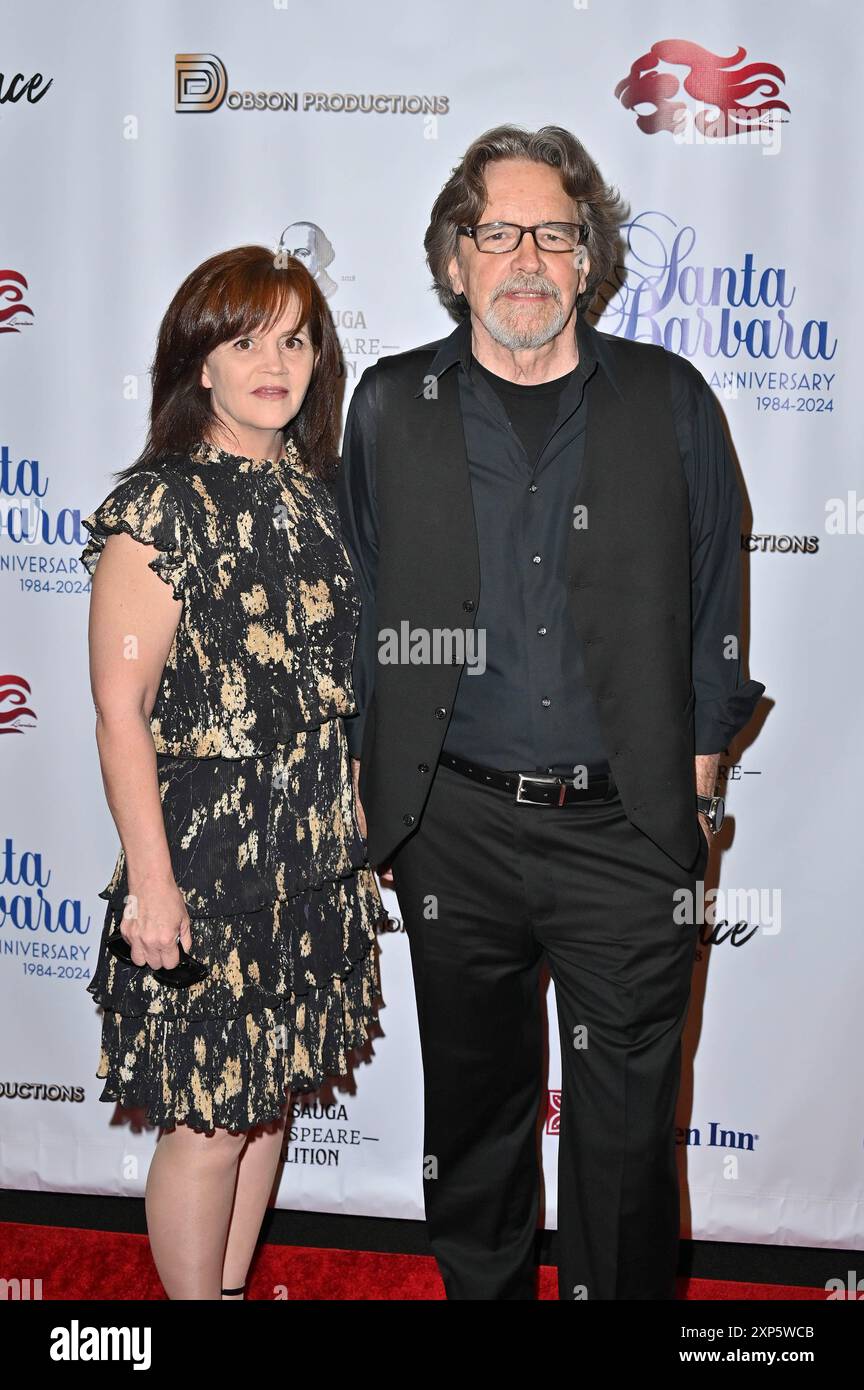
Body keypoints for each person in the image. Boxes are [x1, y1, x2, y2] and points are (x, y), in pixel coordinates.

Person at [336, 124, 765, 1300]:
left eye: (554, 234)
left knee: (627, 1146)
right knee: (475, 1122)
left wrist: (696, 774)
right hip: (453, 831)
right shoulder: (390, 407)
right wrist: (378, 788)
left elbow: (715, 587)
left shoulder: (669, 403)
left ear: (589, 258)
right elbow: (365, 602)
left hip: (628, 834)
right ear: (455, 257)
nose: (526, 259)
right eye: (498, 234)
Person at [80, 245, 385, 1301]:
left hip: (311, 852)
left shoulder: (320, 500)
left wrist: (353, 814)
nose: (274, 361)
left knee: (269, 1102)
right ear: (198, 363)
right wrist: (153, 884)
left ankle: (226, 1293)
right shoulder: (159, 511)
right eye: (246, 338)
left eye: (295, 339)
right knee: (211, 1116)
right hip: (208, 856)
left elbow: (328, 684)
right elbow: (121, 711)